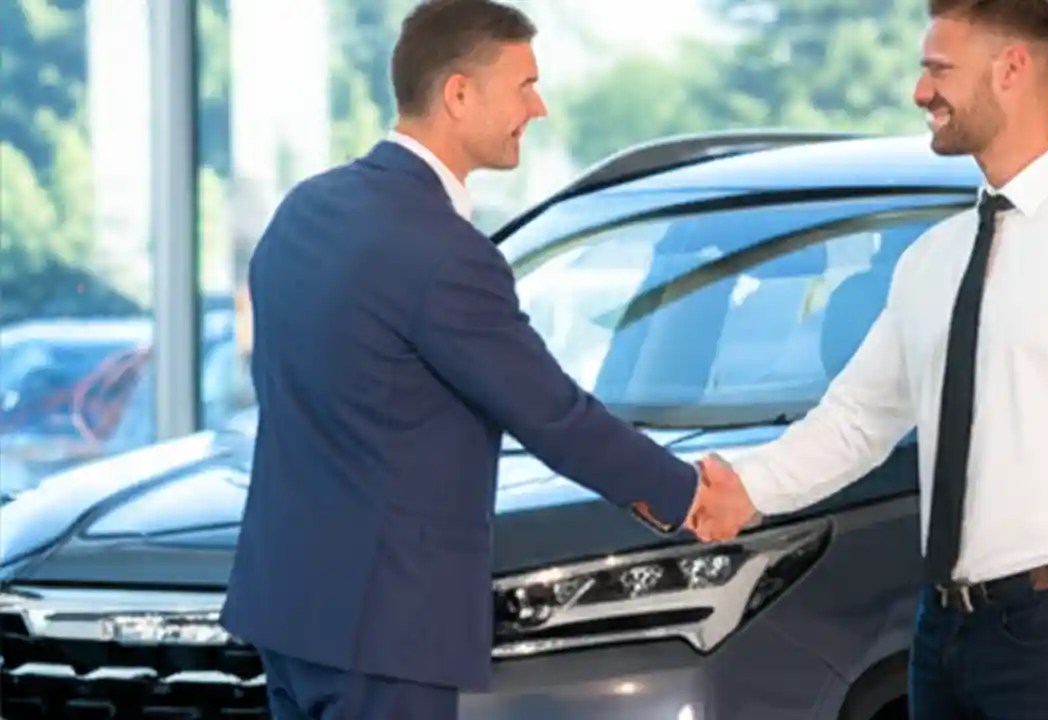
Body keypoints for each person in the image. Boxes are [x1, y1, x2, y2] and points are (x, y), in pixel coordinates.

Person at [218, 1, 749, 717]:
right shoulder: (444, 252)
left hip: (287, 608)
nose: (540, 106)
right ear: (458, 94)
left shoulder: (305, 209)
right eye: (524, 85)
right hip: (384, 625)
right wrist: (685, 493)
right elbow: (553, 415)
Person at [693, 1, 1048, 719]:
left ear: (1013, 69)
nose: (920, 92)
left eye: (939, 69)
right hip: (940, 631)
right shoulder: (933, 262)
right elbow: (856, 422)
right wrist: (745, 489)